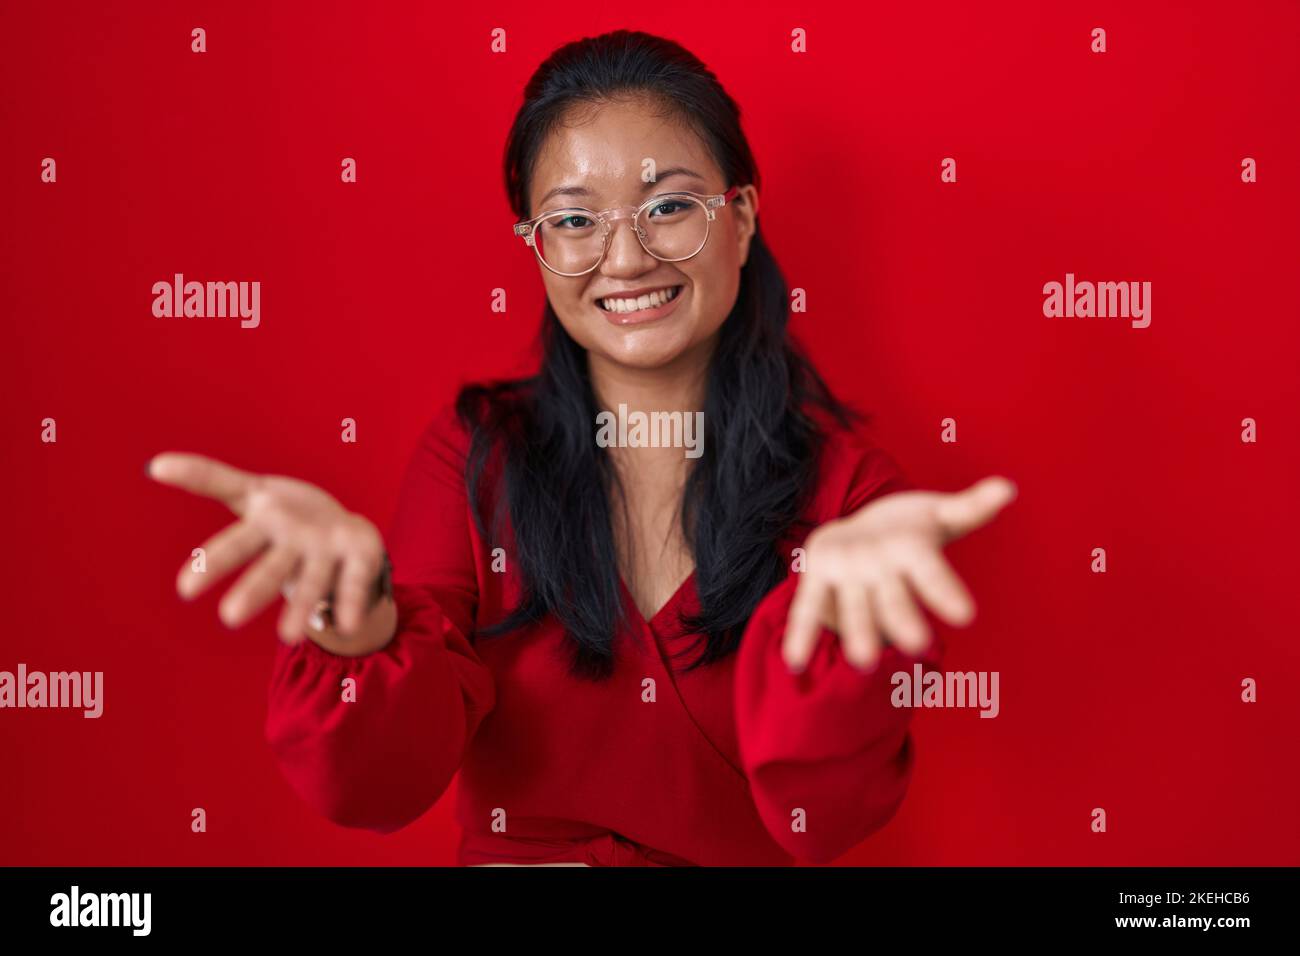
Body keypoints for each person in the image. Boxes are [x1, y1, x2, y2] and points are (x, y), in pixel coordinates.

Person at [147, 29, 1016, 866]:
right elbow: (375, 788)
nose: (626, 257)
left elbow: (816, 824)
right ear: (534, 243)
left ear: (743, 217)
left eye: (670, 207)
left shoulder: (851, 497)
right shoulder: (476, 452)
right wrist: (353, 619)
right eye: (573, 221)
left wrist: (837, 639)